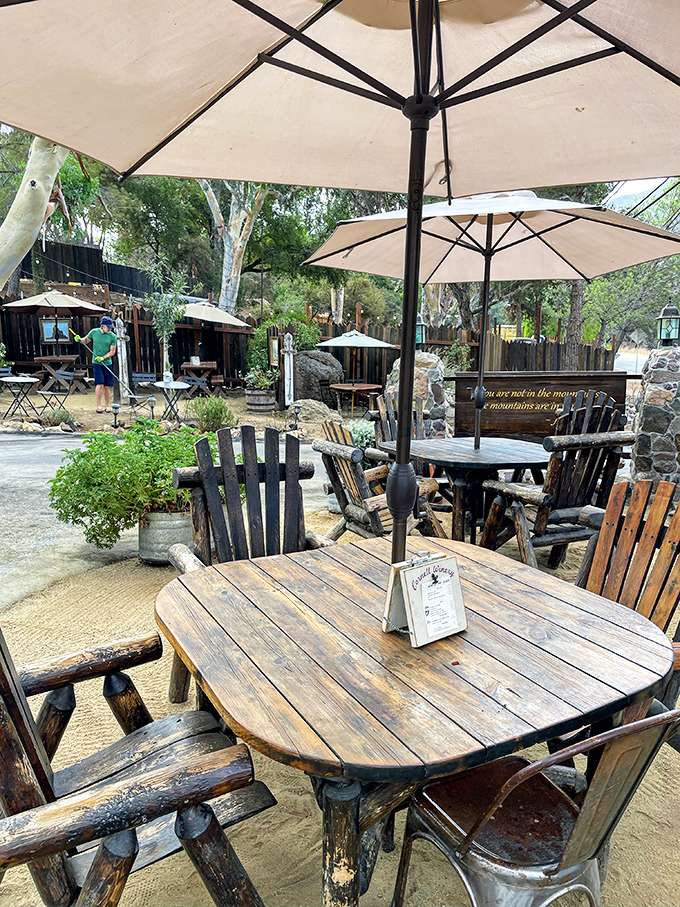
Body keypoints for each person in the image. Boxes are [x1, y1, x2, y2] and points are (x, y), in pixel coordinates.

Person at [74, 315, 117, 413]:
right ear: (102, 326)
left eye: (111, 327)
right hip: (96, 363)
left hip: (107, 363)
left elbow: (112, 351)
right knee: (99, 383)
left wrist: (103, 357)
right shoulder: (94, 332)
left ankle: (107, 406)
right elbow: (85, 340)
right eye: (108, 326)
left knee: (107, 385)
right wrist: (79, 339)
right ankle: (98, 406)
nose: (110, 328)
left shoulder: (113, 336)